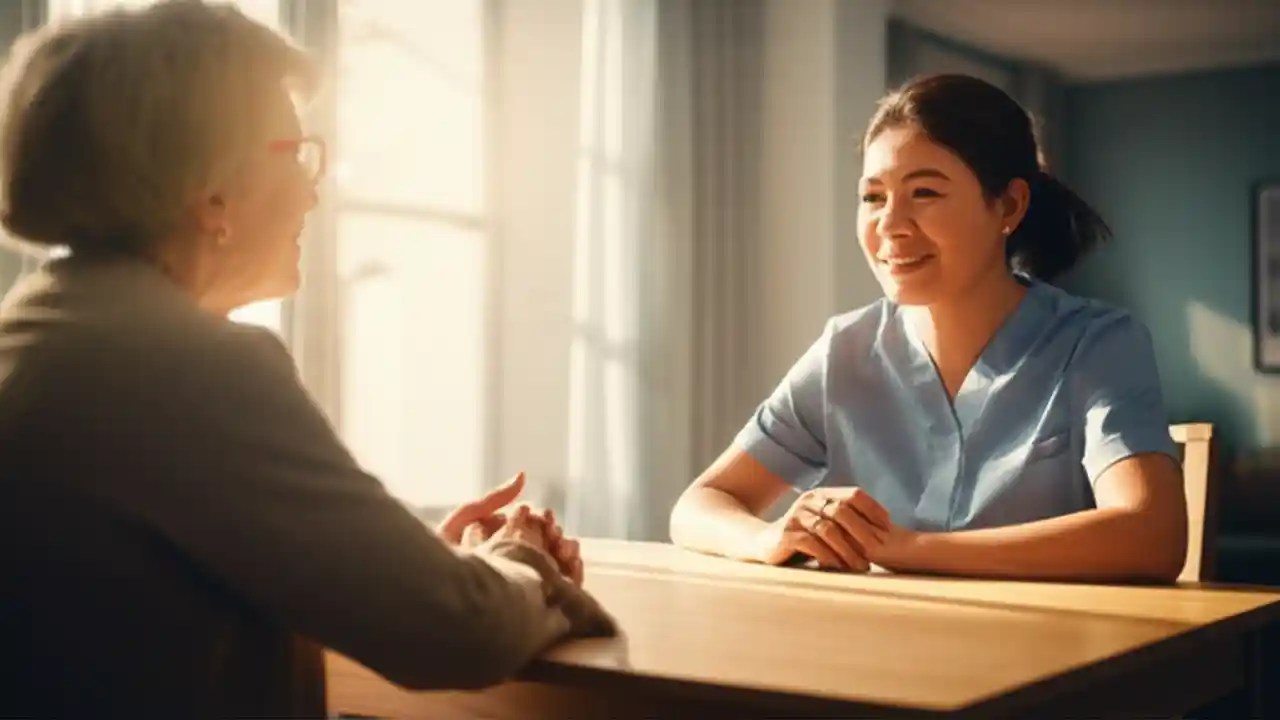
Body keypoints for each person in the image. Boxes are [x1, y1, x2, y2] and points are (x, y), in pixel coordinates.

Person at [0, 2, 610, 718]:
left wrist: (398, 563)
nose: (315, 188)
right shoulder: (192, 370)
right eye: (296, 152)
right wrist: (520, 561)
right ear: (213, 193)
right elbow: (458, 632)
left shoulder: (41, 335)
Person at [669, 74, 1187, 583]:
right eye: (873, 197)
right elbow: (698, 506)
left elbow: (1151, 535)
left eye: (924, 193)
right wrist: (769, 538)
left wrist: (911, 549)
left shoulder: (1096, 343)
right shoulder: (844, 352)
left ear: (1008, 206)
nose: (890, 224)